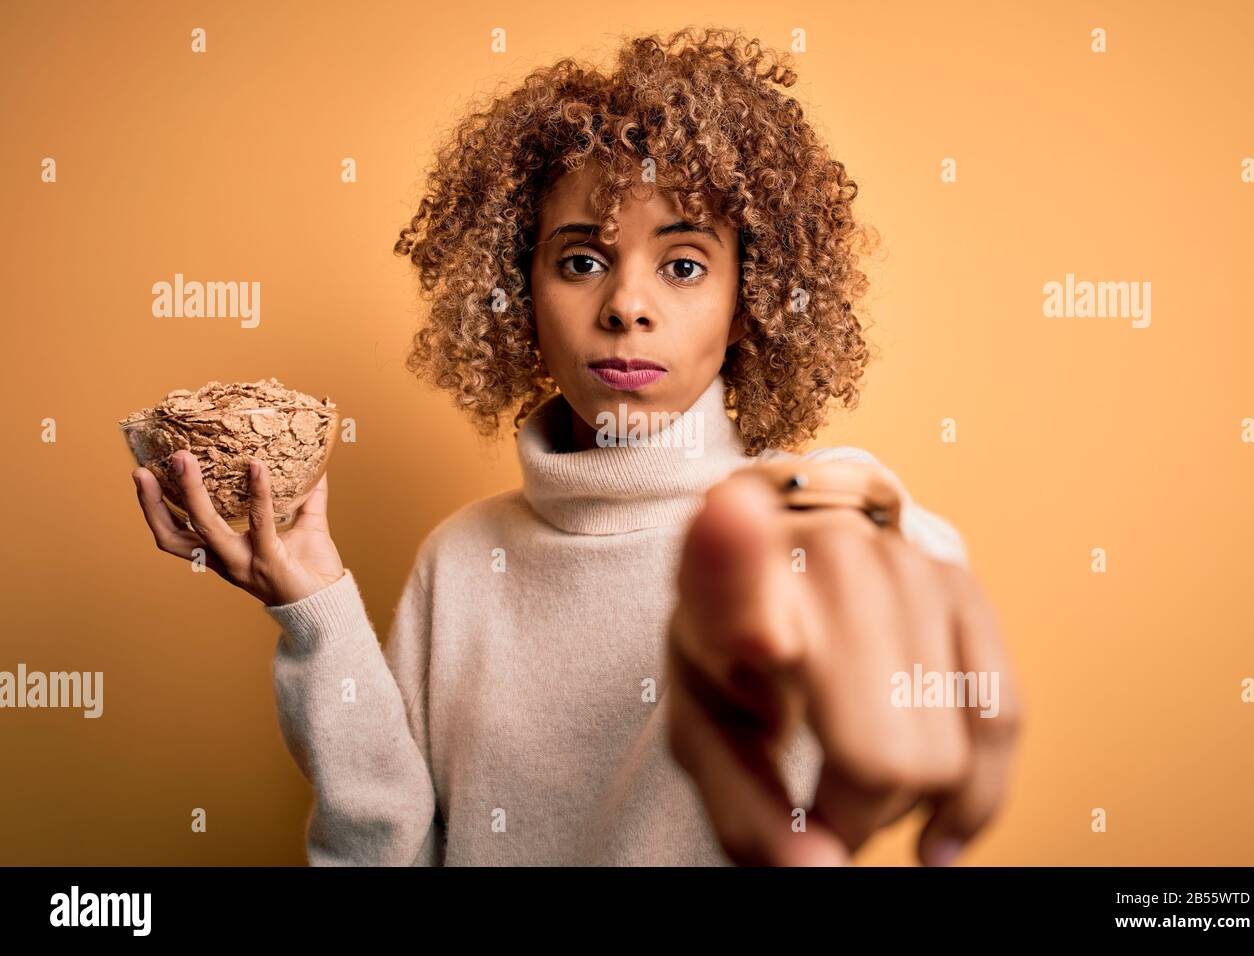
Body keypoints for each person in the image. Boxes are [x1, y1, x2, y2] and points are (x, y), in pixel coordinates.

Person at [130, 27, 1020, 866]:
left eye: (683, 265)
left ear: (747, 299)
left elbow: (867, 527)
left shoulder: (793, 516)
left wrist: (868, 553)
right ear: (518, 293)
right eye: (582, 261)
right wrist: (314, 609)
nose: (627, 305)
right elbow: (389, 849)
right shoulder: (462, 559)